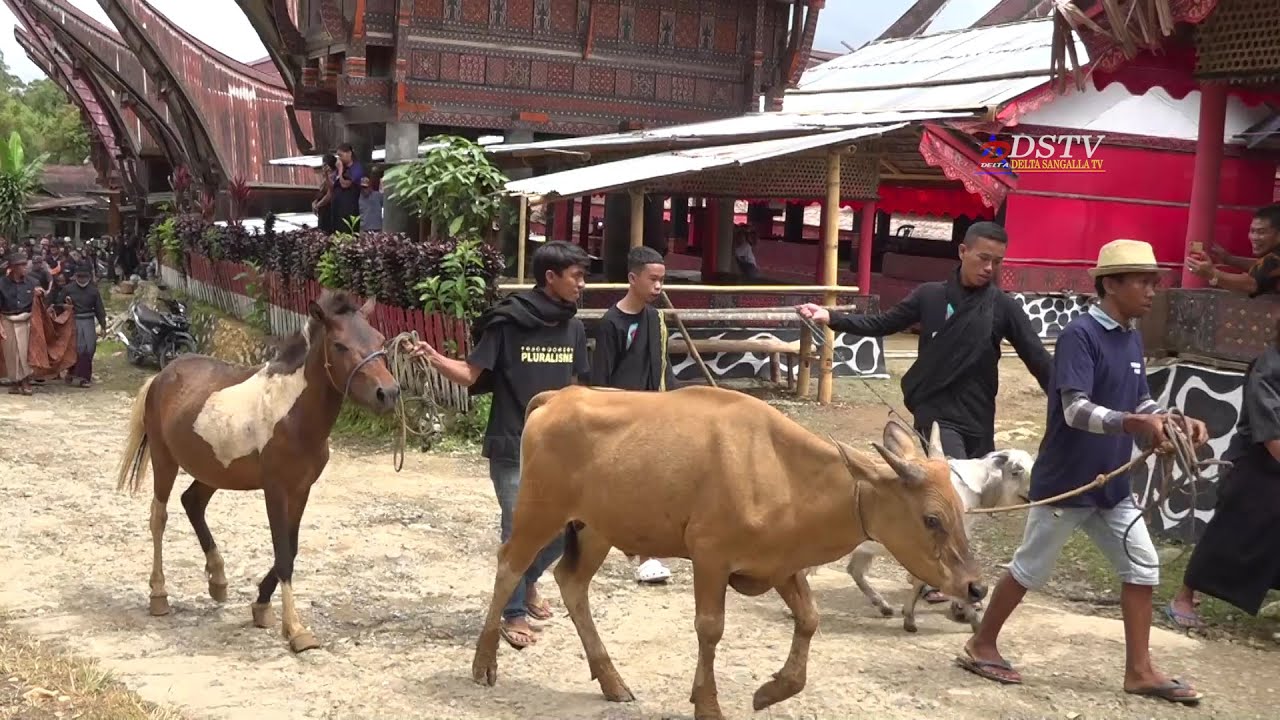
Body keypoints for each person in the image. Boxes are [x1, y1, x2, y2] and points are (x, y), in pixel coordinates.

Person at [957, 238, 1209, 704]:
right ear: (1110, 284)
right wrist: (1132, 422)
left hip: (1111, 482)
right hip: (1070, 478)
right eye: (1142, 282)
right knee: (1030, 567)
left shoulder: (1131, 335)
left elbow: (1138, 399)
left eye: (1154, 282)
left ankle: (1139, 670)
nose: (1152, 291)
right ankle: (981, 643)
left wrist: (1167, 419)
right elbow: (1074, 408)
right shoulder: (1080, 335)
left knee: (1144, 564)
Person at [410, 240, 591, 650]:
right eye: (575, 276)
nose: (582, 284)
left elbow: (580, 390)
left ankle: (525, 582)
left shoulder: (575, 327)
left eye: (583, 276)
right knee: (518, 529)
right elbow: (472, 374)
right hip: (513, 442)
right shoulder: (507, 323)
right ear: (550, 277)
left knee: (568, 531)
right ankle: (513, 613)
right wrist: (433, 357)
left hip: (561, 450)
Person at [798, 221, 1051, 458]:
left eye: (997, 262)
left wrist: (1068, 395)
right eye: (983, 258)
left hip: (979, 414)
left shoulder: (1003, 306)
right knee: (956, 479)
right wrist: (832, 316)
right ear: (963, 251)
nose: (989, 268)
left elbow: (1037, 356)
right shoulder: (930, 295)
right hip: (934, 410)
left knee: (980, 494)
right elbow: (883, 323)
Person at [1166, 319, 1280, 629]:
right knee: (1229, 532)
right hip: (1257, 466)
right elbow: (1270, 434)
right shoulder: (1267, 368)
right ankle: (1184, 597)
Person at [590, 245, 679, 585]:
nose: (659, 287)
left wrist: (676, 400)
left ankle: (646, 553)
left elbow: (663, 366)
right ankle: (638, 551)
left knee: (653, 486)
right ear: (632, 278)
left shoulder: (657, 319)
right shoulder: (611, 323)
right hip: (622, 419)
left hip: (656, 413)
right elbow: (601, 378)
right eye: (653, 279)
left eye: (662, 280)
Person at [1185, 203, 1280, 296]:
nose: (1254, 237)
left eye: (1261, 232)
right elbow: (1263, 267)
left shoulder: (1275, 258)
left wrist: (1212, 274)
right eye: (1252, 231)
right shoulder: (1271, 261)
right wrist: (1228, 259)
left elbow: (1251, 284)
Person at [53, 263, 106, 388]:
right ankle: (71, 374)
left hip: (88, 320)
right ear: (75, 276)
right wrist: (64, 306)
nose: (82, 279)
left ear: (89, 277)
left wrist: (103, 325)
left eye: (84, 277)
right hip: (73, 321)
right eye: (80, 276)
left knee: (89, 349)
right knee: (75, 348)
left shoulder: (93, 291)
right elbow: (57, 304)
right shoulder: (68, 289)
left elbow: (99, 309)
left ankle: (84, 377)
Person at [0, 251, 45, 395]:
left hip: (26, 320)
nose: (25, 268)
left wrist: (40, 295)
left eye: (26, 264)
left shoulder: (33, 282)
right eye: (21, 265)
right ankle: (15, 381)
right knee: (11, 352)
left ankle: (26, 381)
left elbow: (41, 304)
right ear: (12, 267)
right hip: (7, 319)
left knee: (24, 351)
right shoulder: (2, 283)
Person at [330, 143, 364, 232]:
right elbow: (332, 185)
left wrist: (340, 169)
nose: (339, 158)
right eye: (338, 156)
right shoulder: (338, 169)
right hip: (337, 208)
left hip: (349, 207)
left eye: (341, 155)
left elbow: (345, 184)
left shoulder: (356, 168)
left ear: (349, 153)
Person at [313, 153, 337, 235]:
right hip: (322, 209)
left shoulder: (333, 176)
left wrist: (318, 204)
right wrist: (315, 202)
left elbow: (330, 194)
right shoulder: (326, 176)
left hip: (328, 209)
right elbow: (321, 191)